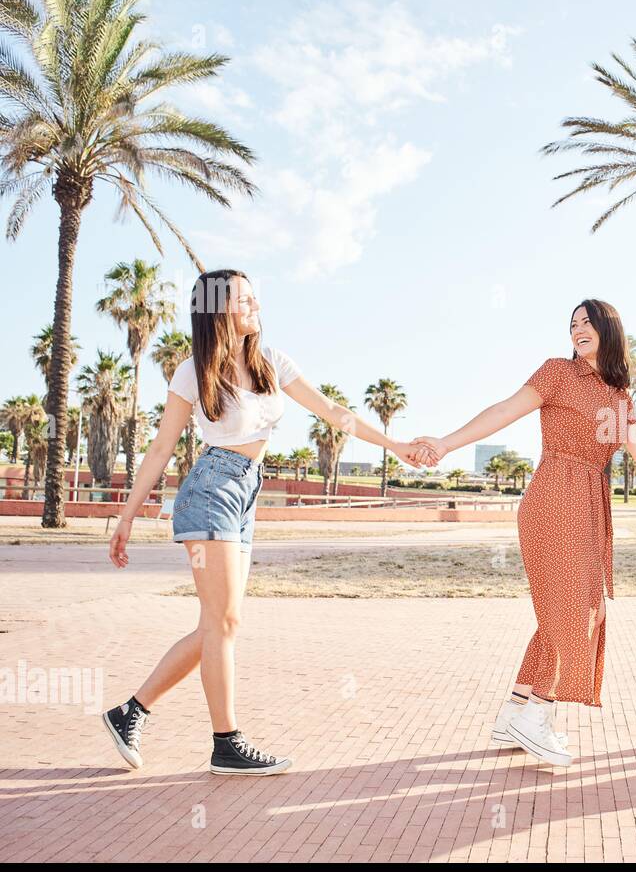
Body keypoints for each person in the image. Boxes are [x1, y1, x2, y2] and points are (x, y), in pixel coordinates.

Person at [104, 270, 433, 775]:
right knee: (225, 622)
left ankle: (131, 711)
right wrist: (126, 516)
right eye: (243, 298)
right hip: (210, 491)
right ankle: (226, 742)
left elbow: (333, 412)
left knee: (217, 625)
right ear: (217, 309)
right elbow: (161, 448)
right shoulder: (192, 372)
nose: (255, 304)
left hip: (246, 493)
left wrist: (396, 445)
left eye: (255, 295)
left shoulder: (271, 362)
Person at [417, 300, 636, 768]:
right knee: (578, 609)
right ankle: (539, 714)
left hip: (588, 501)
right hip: (555, 493)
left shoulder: (619, 396)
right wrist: (446, 443)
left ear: (609, 330)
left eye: (587, 322)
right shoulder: (557, 374)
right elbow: (504, 410)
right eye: (573, 325)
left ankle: (516, 709)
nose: (578, 330)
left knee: (566, 610)